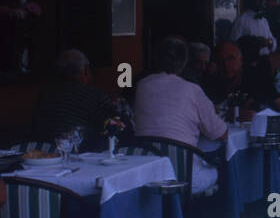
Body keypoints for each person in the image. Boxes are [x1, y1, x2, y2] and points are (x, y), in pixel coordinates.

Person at [134, 37, 226, 191]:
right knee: (218, 168)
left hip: (148, 175)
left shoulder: (142, 86)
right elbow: (220, 133)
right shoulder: (193, 90)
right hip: (185, 176)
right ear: (184, 64)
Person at [30, 49, 115, 148]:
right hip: (82, 154)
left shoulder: (45, 94)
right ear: (86, 70)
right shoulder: (95, 95)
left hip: (44, 151)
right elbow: (113, 126)